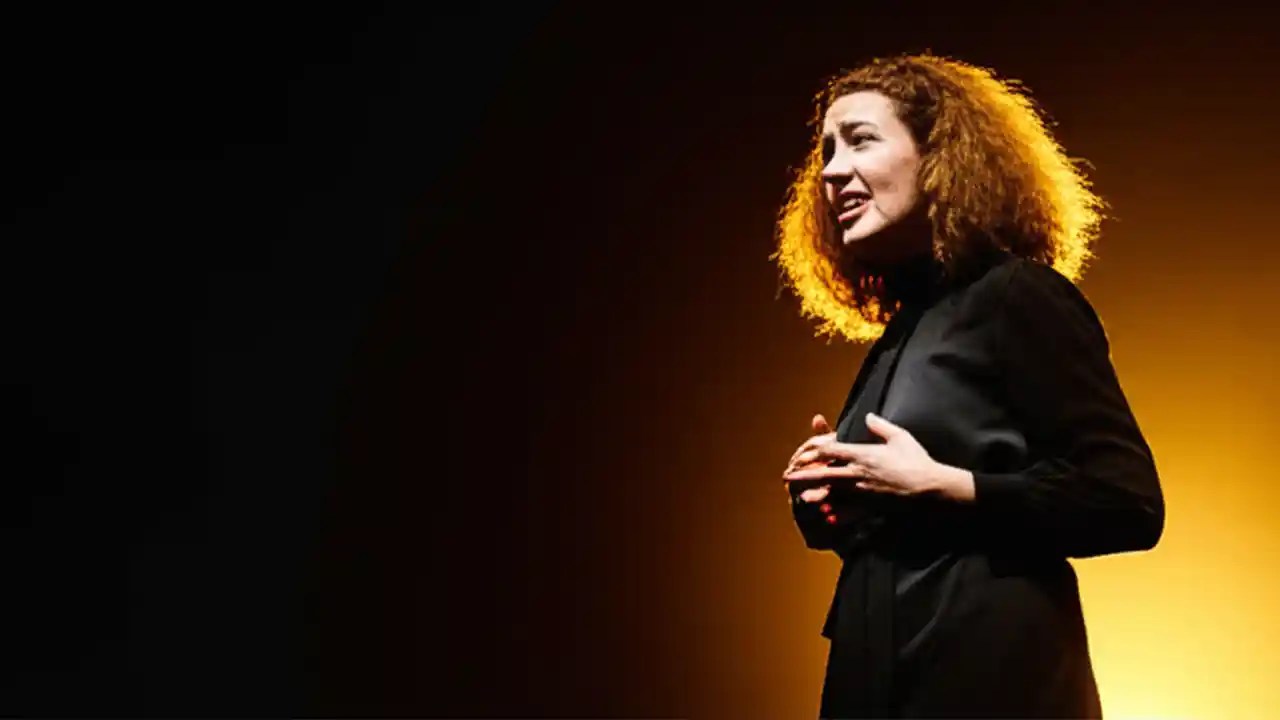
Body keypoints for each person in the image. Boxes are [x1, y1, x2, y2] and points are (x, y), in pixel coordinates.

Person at [772, 54, 1165, 719]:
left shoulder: (1018, 297)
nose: (831, 170)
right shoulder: (903, 332)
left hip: (989, 682)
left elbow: (1126, 501)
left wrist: (943, 483)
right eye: (826, 151)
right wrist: (832, 505)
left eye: (861, 140)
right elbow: (915, 536)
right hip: (879, 680)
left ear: (940, 156)